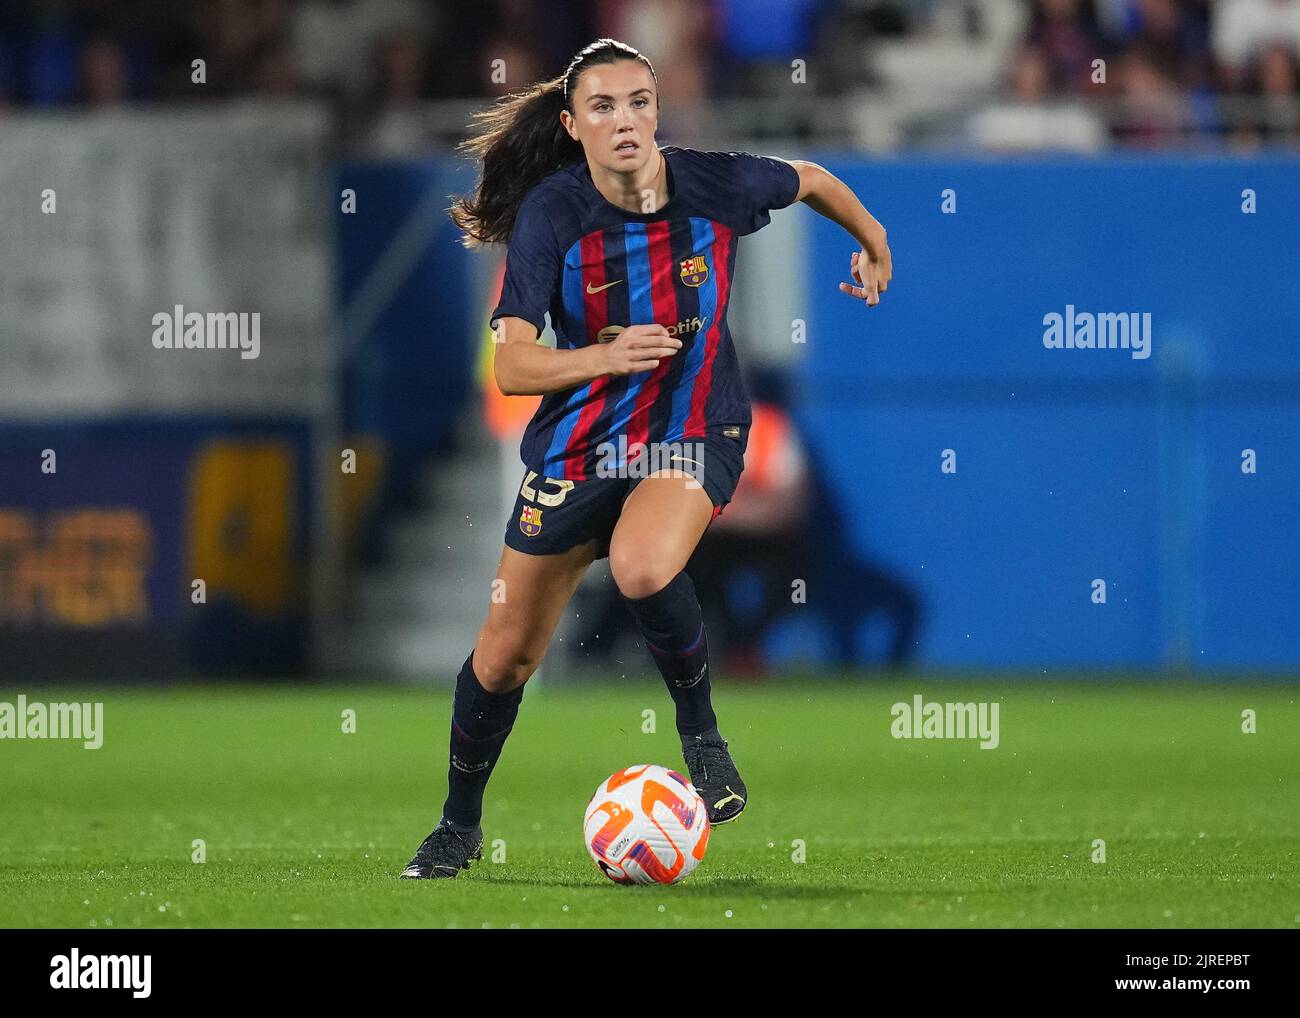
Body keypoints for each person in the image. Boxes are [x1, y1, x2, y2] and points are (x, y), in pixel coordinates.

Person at [401, 38, 892, 879]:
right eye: (603, 107)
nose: (624, 120)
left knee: (640, 564)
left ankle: (702, 739)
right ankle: (456, 825)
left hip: (694, 430)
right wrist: (604, 355)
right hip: (583, 443)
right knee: (505, 655)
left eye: (638, 102)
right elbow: (515, 365)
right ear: (573, 123)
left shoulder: (717, 183)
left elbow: (808, 176)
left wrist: (874, 238)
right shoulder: (553, 215)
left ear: (656, 111)